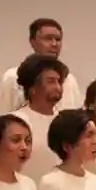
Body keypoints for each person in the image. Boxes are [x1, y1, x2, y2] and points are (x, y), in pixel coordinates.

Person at [0, 18, 81, 112]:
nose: (54, 44)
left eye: (58, 39)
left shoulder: (70, 80)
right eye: (48, 38)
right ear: (32, 42)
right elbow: (3, 113)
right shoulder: (12, 77)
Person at [12, 54, 69, 182]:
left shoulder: (65, 122)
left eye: (59, 82)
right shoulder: (15, 122)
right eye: (51, 81)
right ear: (32, 88)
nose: (57, 87)